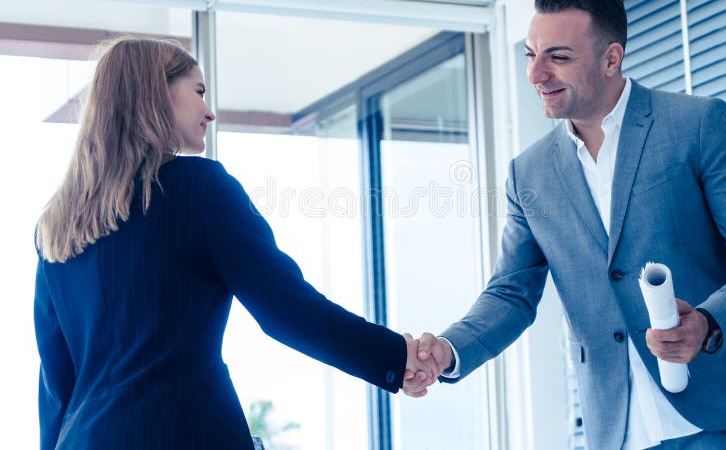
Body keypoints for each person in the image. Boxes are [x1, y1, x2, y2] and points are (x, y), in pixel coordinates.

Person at [402, 0, 726, 449]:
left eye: (558, 57)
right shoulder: (529, 172)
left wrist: (708, 322)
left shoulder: (698, 123)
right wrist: (449, 350)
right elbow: (511, 293)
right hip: (616, 431)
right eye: (531, 55)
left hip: (725, 419)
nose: (536, 74)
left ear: (611, 58)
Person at [33, 37, 433, 450]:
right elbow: (287, 308)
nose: (209, 111)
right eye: (199, 91)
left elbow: (56, 383)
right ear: (157, 94)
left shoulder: (57, 225)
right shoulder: (201, 189)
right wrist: (393, 356)